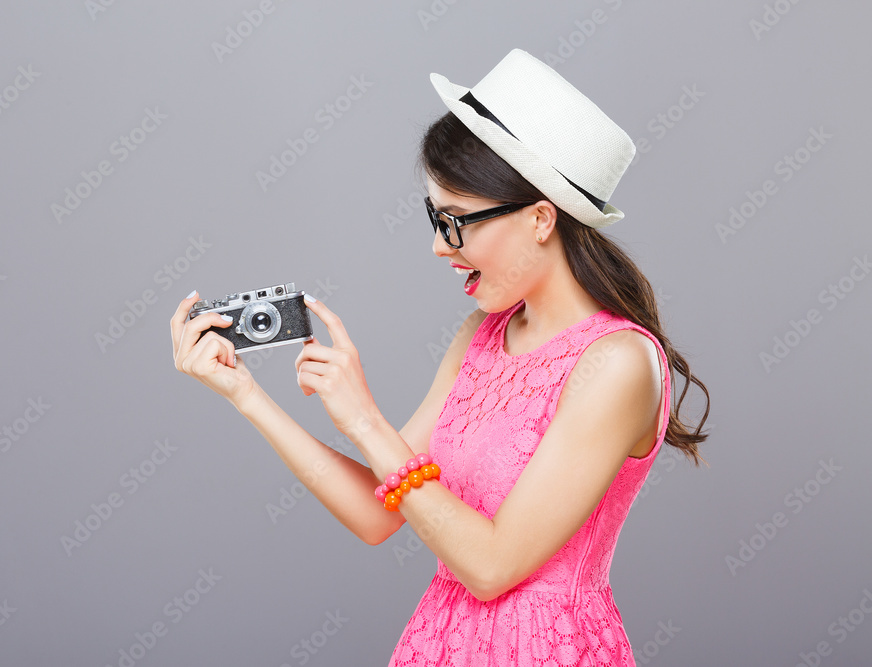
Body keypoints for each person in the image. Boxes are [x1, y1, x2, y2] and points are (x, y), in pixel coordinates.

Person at [170, 48, 710, 667]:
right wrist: (246, 396)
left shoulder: (617, 364)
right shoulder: (481, 335)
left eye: (455, 221)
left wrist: (367, 421)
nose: (436, 246)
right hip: (441, 646)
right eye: (435, 217)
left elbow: (491, 567)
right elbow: (379, 514)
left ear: (540, 218)